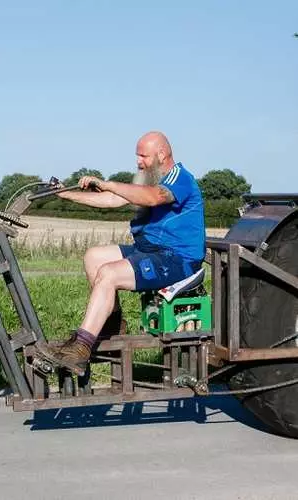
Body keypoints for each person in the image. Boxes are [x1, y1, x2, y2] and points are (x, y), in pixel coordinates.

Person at [35, 131, 206, 376]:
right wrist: (65, 194)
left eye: (143, 156)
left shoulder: (180, 178)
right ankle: (113, 325)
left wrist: (108, 183)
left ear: (162, 154)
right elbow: (112, 200)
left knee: (109, 274)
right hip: (151, 250)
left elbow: (155, 197)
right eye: (137, 156)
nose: (138, 162)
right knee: (94, 257)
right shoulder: (149, 179)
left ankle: (81, 349)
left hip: (177, 259)